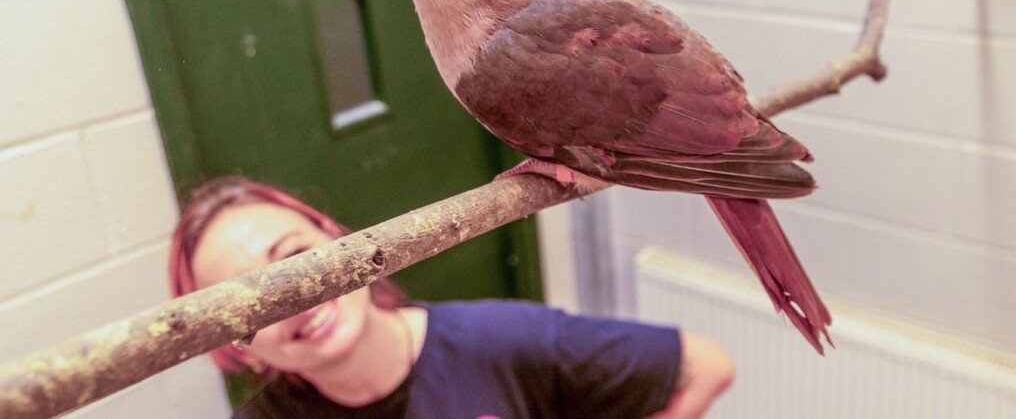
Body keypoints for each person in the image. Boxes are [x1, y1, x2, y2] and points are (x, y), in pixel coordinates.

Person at [169, 177, 735, 418]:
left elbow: (707, 365)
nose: (295, 301)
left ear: (339, 242)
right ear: (238, 346)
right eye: (250, 303)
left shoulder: (501, 341)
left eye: (296, 258)